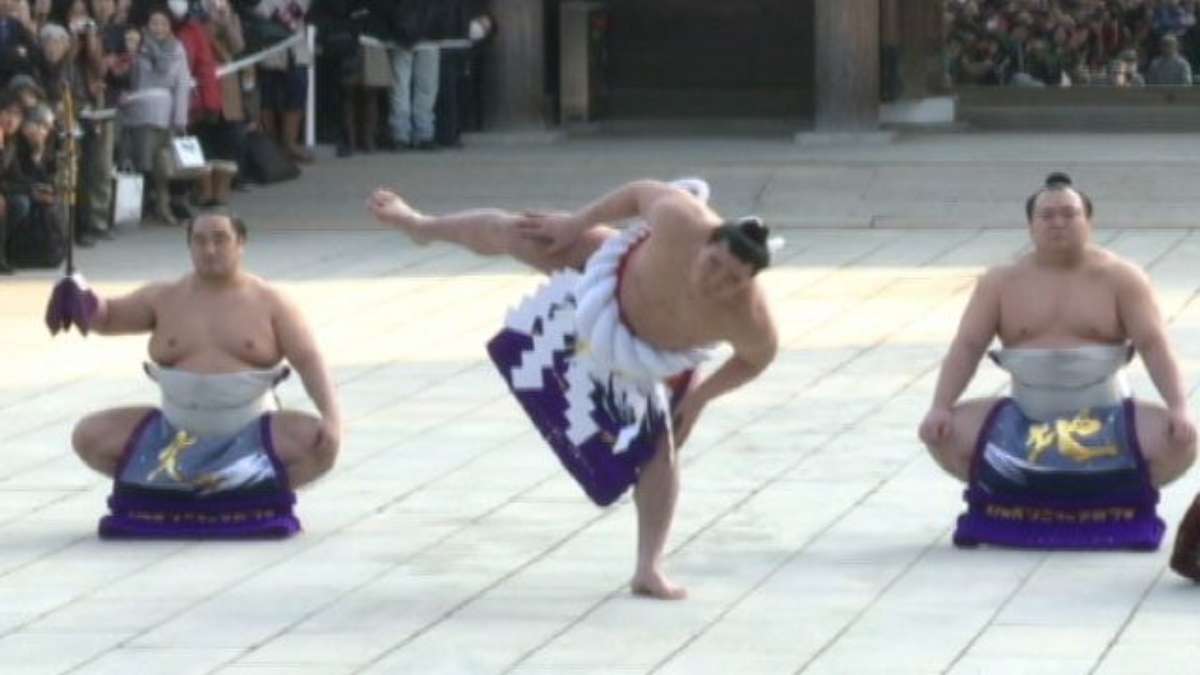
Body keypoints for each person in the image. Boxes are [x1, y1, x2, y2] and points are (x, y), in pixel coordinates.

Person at [368, 178, 779, 600]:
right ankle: (421, 226)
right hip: (610, 275)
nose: (718, 283)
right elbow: (638, 192)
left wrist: (698, 400)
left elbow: (756, 359)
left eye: (733, 280)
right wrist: (576, 222)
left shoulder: (748, 316)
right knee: (520, 231)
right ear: (707, 242)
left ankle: (648, 568)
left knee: (661, 451)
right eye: (715, 265)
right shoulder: (681, 219)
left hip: (648, 360)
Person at [919, 173, 1197, 551]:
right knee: (943, 432)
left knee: (1179, 440)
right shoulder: (1000, 281)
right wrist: (940, 406)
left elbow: (1153, 343)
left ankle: (1103, 505)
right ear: (1030, 226)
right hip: (1025, 414)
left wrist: (1180, 407)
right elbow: (967, 345)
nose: (1058, 223)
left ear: (1089, 221)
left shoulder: (1122, 277)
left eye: (1070, 213)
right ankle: (1018, 507)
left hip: (1107, 414)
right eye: (1047, 215)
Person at [69, 213, 342, 537]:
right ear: (189, 246)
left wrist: (332, 417)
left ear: (241, 243)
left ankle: (233, 493)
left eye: (220, 239)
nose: (209, 249)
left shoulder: (272, 302)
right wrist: (77, 295)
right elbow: (108, 317)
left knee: (319, 443)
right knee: (89, 436)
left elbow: (309, 360)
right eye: (199, 240)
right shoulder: (163, 297)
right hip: (174, 433)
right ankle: (184, 494)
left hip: (249, 433)